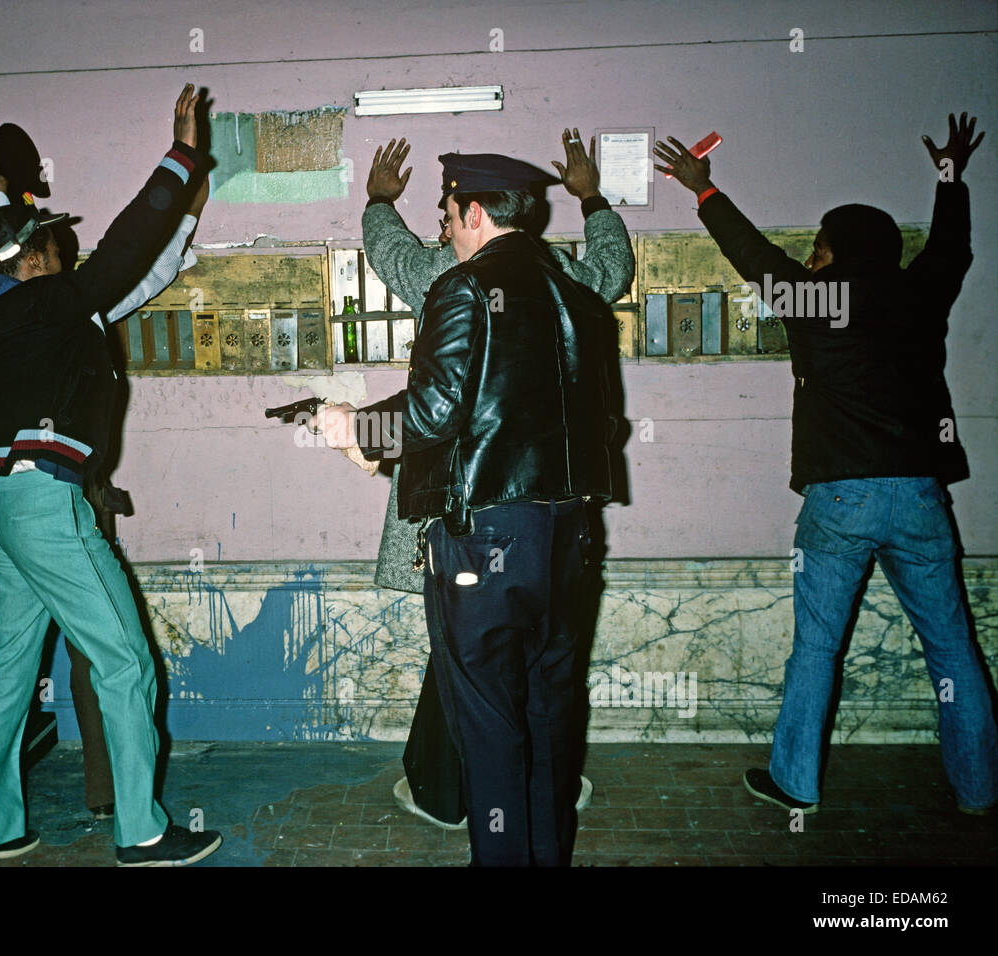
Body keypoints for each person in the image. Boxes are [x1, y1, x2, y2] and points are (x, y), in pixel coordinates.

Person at [653, 112, 997, 816]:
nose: (810, 258)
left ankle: (796, 783)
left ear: (836, 252)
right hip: (922, 495)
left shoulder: (818, 297)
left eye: (817, 247)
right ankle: (982, 786)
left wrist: (704, 191)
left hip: (840, 498)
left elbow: (753, 257)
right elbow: (951, 248)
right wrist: (949, 175)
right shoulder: (917, 293)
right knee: (953, 648)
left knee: (817, 649)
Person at [0, 85, 223, 866]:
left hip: (1, 510)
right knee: (124, 660)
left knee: (5, 681)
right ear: (33, 258)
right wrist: (181, 158)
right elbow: (125, 249)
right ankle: (143, 831)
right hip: (48, 511)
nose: (72, 252)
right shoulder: (48, 304)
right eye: (58, 242)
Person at [322, 152, 617, 866]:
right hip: (570, 539)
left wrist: (352, 426)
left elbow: (433, 410)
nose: (446, 233)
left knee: (488, 732)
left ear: (475, 214)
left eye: (448, 218)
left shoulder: (464, 287)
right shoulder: (578, 293)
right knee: (550, 721)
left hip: (486, 545)